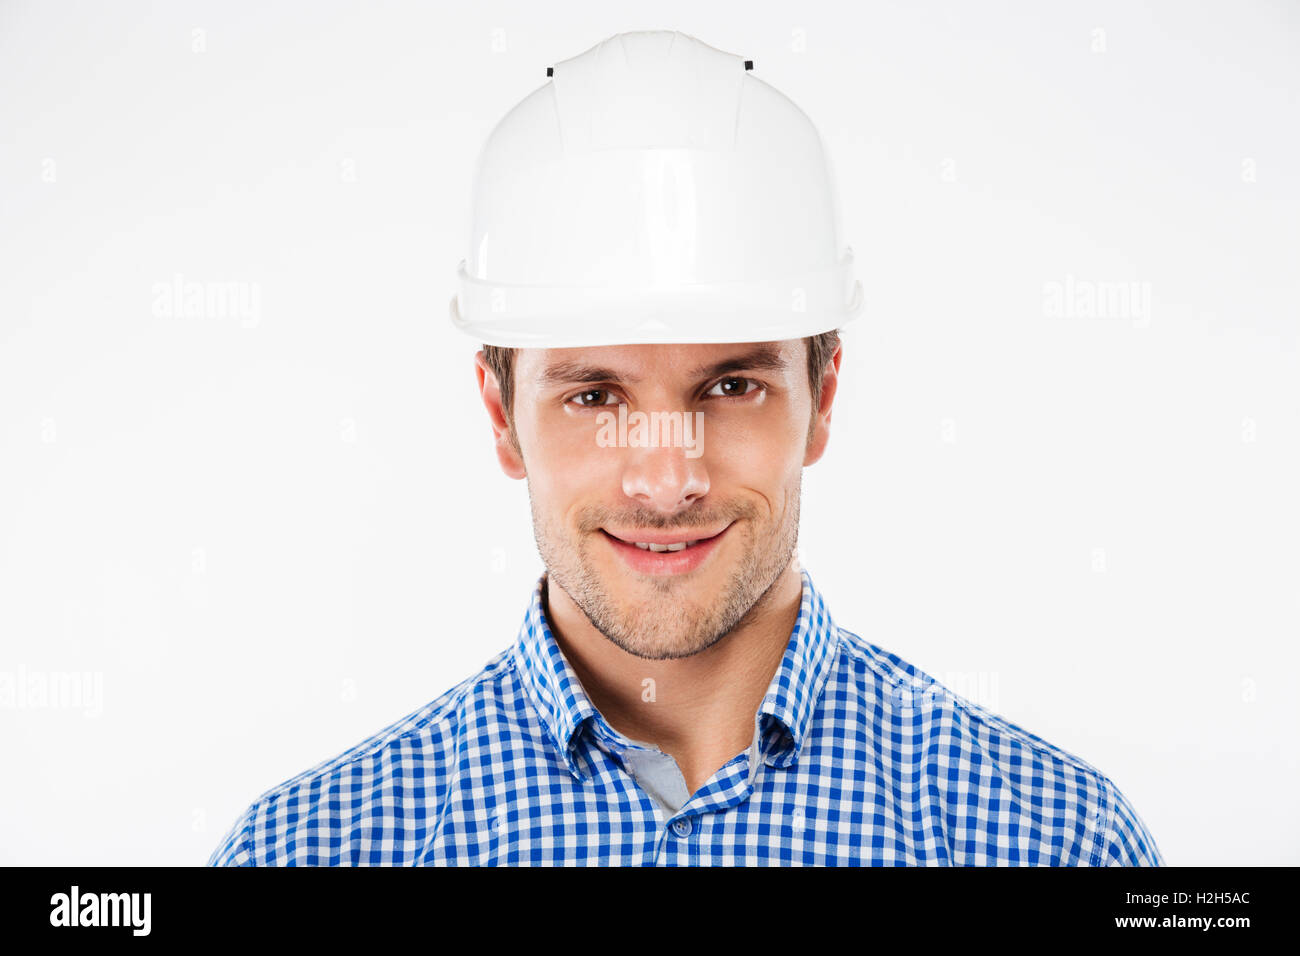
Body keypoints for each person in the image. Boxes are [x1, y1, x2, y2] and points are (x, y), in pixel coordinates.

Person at [209, 29, 1163, 866]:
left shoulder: (1056, 842)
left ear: (822, 397)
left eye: (731, 386)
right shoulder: (310, 850)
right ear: (502, 417)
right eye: (593, 395)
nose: (667, 480)